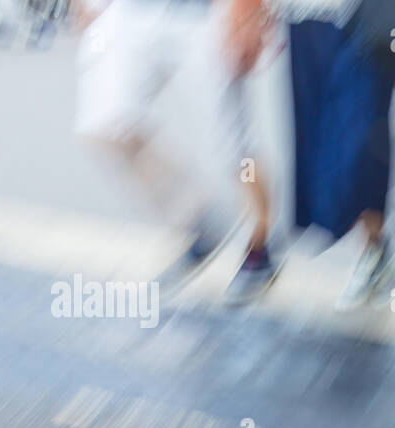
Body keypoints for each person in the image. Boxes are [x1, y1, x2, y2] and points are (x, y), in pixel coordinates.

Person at [73, 0, 277, 303]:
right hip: (130, 13)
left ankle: (260, 246)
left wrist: (249, 9)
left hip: (205, 15)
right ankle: (200, 221)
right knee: (105, 123)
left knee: (235, 150)